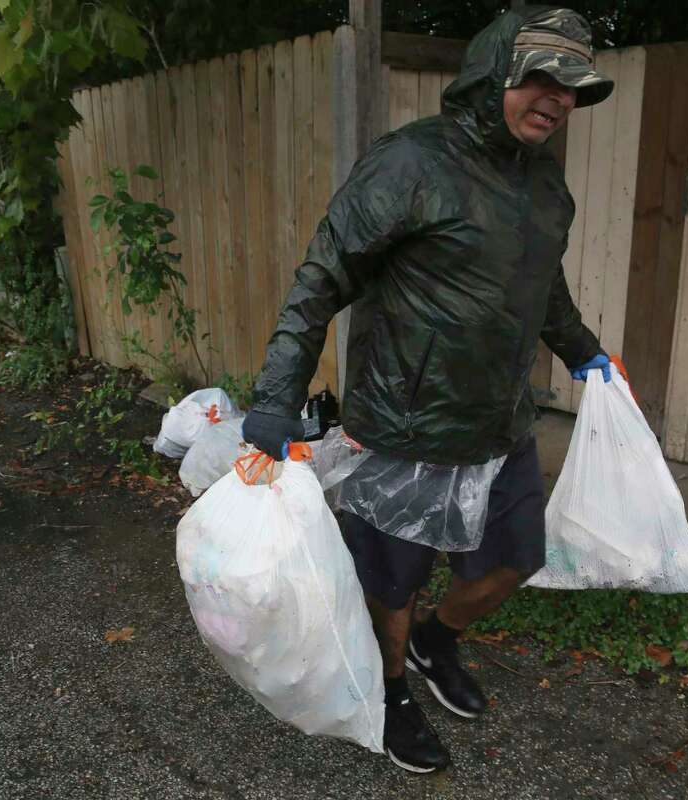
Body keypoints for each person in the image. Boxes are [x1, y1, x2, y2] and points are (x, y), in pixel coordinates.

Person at [243, 5, 613, 773]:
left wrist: (585, 354)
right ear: (493, 74)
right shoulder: (409, 164)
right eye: (541, 77)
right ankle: (390, 692)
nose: (556, 99)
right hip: (403, 425)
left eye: (572, 87)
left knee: (514, 560)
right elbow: (320, 281)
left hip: (500, 422)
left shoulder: (546, 186)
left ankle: (438, 644)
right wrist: (278, 397)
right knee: (391, 585)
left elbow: (543, 289)